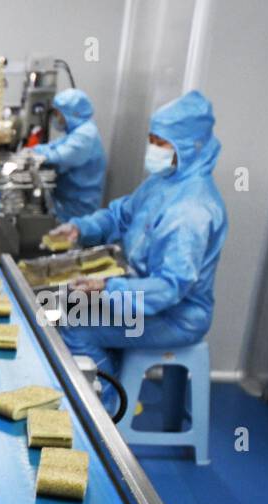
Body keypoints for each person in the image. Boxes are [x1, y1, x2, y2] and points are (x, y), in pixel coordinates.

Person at [48, 90, 227, 406]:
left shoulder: (191, 210)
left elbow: (170, 288)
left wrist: (107, 288)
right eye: (152, 139)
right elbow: (121, 214)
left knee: (75, 323)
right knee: (61, 304)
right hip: (140, 294)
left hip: (175, 316)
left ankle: (105, 413)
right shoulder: (165, 181)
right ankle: (110, 383)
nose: (152, 149)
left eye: (161, 143)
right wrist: (81, 228)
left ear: (190, 146)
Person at [27, 88, 106, 220]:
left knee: (70, 237)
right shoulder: (77, 132)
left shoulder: (85, 135)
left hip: (78, 207)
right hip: (68, 202)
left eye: (58, 114)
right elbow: (55, 146)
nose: (57, 118)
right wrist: (35, 150)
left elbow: (60, 156)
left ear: (71, 113)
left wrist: (38, 156)